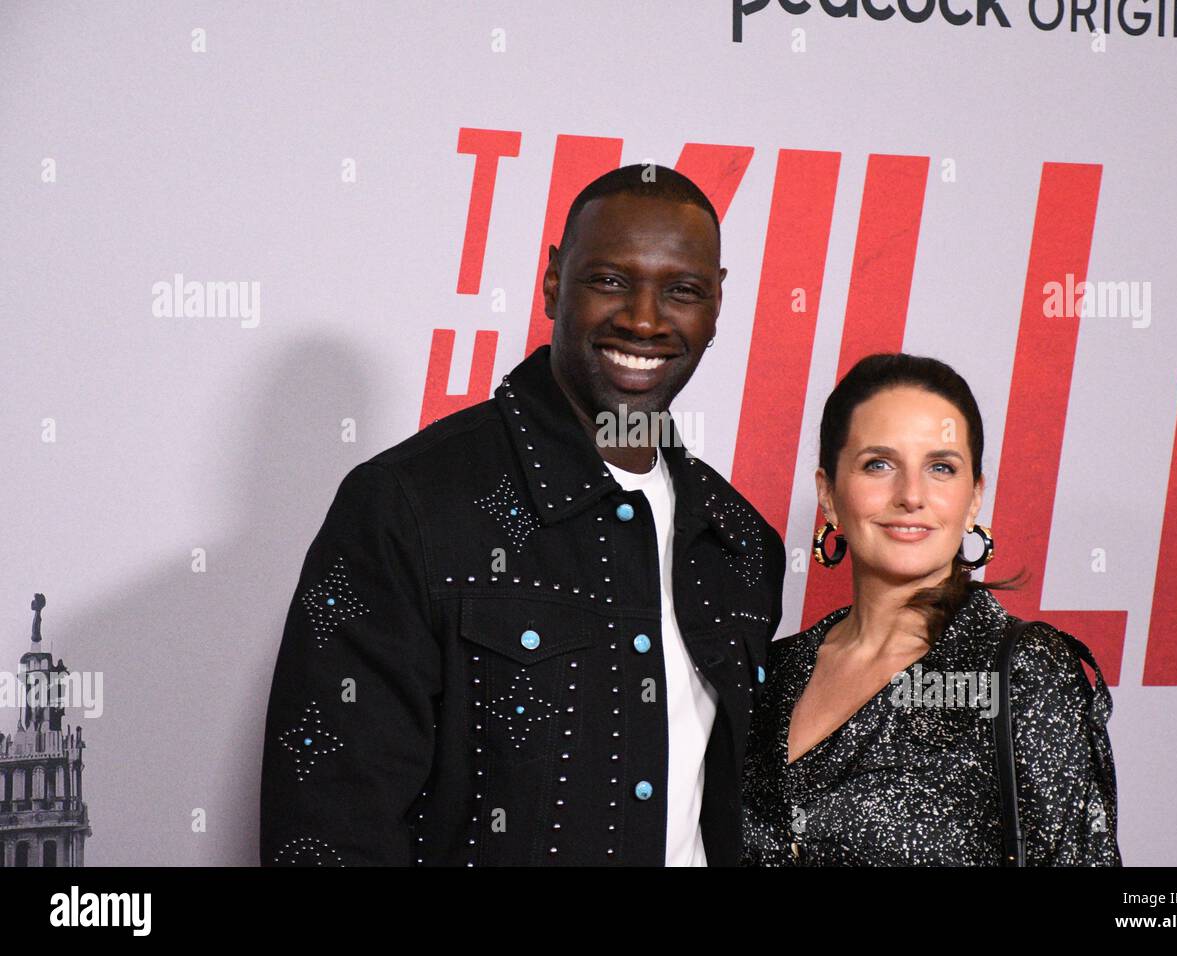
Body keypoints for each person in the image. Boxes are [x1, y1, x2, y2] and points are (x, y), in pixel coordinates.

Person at [260, 163, 786, 866]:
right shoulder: (407, 506)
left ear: (717, 304)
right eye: (609, 281)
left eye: (682, 291)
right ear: (551, 281)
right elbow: (326, 831)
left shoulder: (739, 542)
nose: (644, 319)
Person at [741, 353, 1121, 865]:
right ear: (828, 494)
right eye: (879, 464)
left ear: (973, 500)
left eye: (941, 468)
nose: (912, 495)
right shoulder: (776, 672)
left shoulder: (1021, 670)